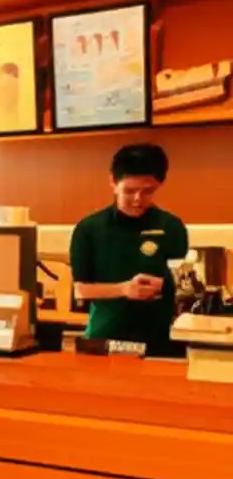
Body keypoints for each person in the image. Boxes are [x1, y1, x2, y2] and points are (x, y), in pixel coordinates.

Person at [69, 143, 189, 357]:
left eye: (147, 191)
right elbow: (82, 289)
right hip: (105, 337)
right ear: (113, 183)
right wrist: (125, 289)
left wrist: (165, 286)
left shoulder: (171, 227)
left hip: (161, 341)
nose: (137, 199)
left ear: (159, 185)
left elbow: (185, 288)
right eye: (130, 191)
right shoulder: (89, 228)